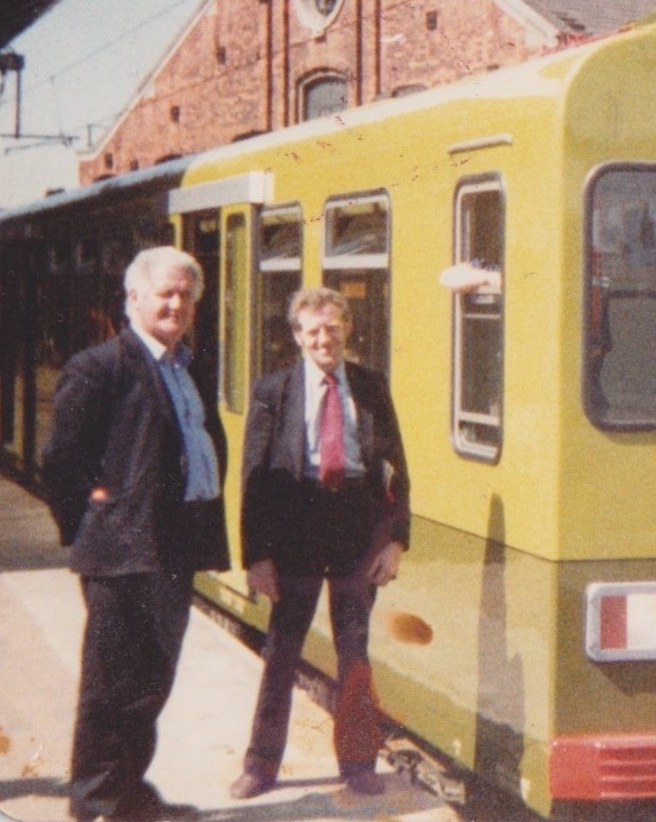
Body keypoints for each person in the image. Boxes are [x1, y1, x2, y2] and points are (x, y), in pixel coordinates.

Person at [42, 246, 229, 822]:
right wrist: (97, 523)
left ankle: (128, 792)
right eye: (165, 293)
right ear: (134, 299)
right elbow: (60, 461)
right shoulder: (101, 366)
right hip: (123, 553)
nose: (176, 303)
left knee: (150, 681)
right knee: (111, 683)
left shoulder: (187, 366)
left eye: (185, 295)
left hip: (171, 551)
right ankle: (96, 801)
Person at [230, 287, 410, 800]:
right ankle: (261, 764)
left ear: (347, 327)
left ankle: (357, 762)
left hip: (358, 533)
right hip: (295, 535)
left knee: (355, 653)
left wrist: (395, 540)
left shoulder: (372, 386)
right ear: (297, 336)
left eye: (332, 327)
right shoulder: (274, 391)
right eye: (312, 330)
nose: (323, 338)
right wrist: (258, 557)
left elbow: (397, 468)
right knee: (282, 652)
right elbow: (254, 479)